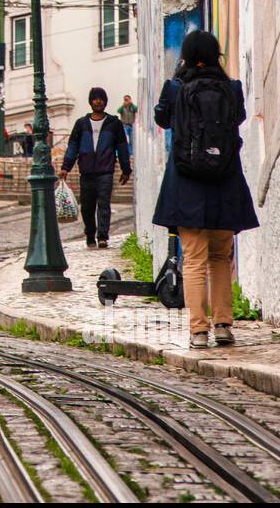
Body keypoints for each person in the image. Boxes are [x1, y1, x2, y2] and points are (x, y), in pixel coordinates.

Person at [151, 30, 259, 349]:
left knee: (194, 260)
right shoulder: (232, 89)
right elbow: (237, 118)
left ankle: (199, 330)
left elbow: (162, 119)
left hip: (187, 184)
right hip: (225, 183)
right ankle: (224, 325)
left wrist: (178, 79)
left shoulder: (175, 88)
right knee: (221, 257)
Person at [59, 87, 131, 249]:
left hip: (105, 172)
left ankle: (103, 236)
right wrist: (66, 167)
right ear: (90, 101)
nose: (98, 101)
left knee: (104, 204)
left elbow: (122, 147)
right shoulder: (81, 124)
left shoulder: (114, 124)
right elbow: (72, 147)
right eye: (95, 98)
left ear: (105, 102)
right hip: (86, 173)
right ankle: (90, 234)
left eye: (101, 98)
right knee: (87, 206)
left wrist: (126, 169)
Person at [117, 94, 138, 160]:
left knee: (131, 140)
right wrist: (123, 105)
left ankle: (130, 154)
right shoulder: (122, 108)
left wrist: (131, 104)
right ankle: (125, 153)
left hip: (131, 126)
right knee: (126, 139)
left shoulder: (132, 107)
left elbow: (137, 109)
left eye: (127, 99)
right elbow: (118, 111)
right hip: (125, 126)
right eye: (125, 100)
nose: (126, 101)